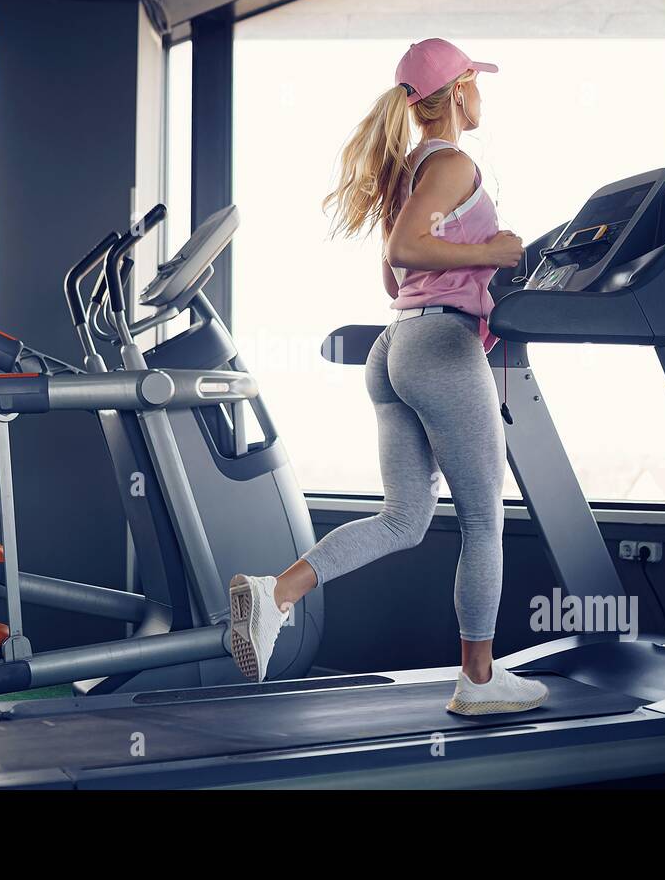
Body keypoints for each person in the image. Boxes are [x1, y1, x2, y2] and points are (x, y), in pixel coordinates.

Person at [229, 38, 549, 716]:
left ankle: (275, 594)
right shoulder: (454, 162)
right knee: (483, 519)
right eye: (477, 81)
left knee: (404, 519)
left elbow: (392, 270)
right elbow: (407, 249)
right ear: (459, 89)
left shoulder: (409, 168)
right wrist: (494, 250)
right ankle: (481, 681)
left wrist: (464, 259)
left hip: (398, 343)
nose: (482, 94)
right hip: (440, 347)